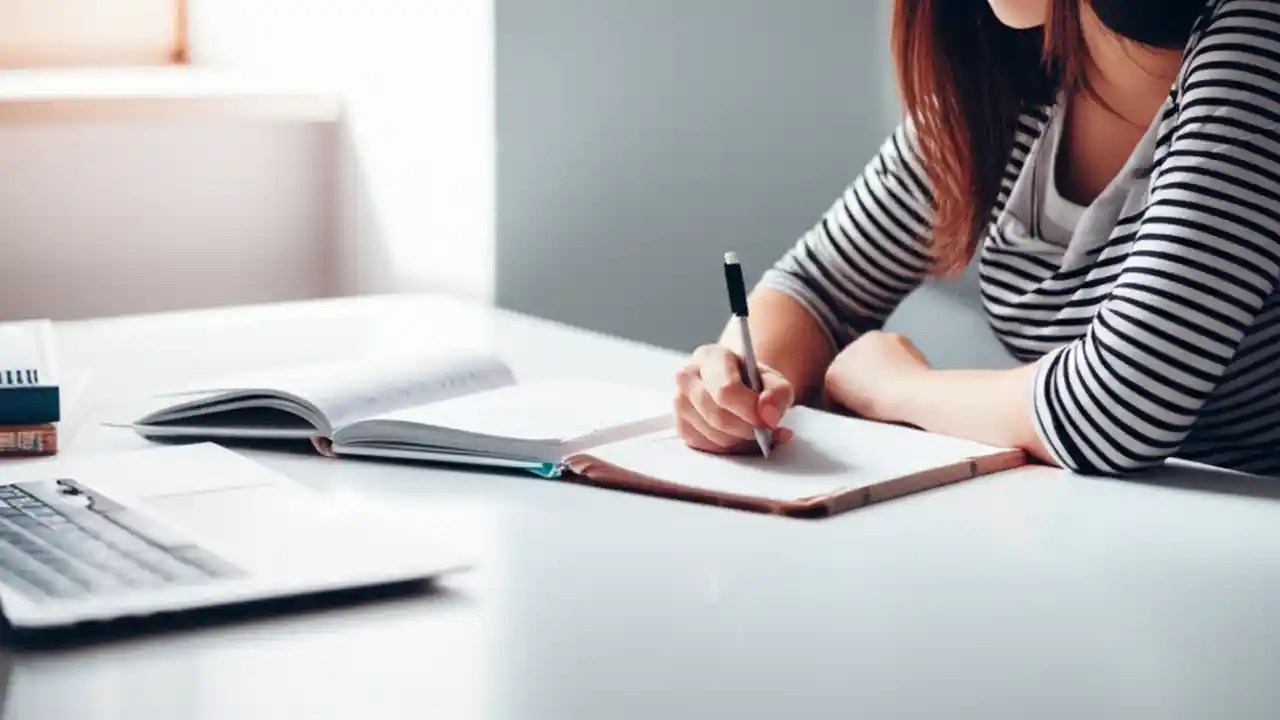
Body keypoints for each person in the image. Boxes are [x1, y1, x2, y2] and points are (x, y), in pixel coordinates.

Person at [674, 0, 1280, 476]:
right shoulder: (1015, 77)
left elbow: (1119, 408)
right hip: (1103, 546)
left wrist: (895, 388)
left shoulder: (1257, 40)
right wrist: (740, 385)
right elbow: (818, 288)